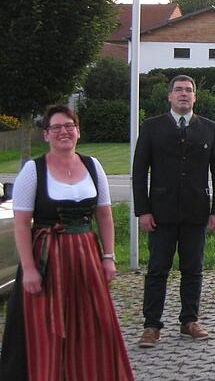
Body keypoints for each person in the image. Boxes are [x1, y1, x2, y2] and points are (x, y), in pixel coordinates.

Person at [0, 105, 133, 380]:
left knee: (94, 323)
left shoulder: (93, 165)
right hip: (47, 259)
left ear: (78, 131)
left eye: (69, 126)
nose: (64, 132)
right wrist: (28, 269)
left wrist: (109, 257)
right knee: (46, 325)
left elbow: (104, 215)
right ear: (46, 135)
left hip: (86, 256)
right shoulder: (33, 171)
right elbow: (23, 224)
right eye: (57, 127)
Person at [133, 74, 215, 347]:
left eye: (189, 90)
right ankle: (152, 326)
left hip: (196, 213)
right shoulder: (152, 127)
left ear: (195, 97)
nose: (184, 94)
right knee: (157, 271)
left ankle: (189, 320)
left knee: (193, 269)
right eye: (179, 90)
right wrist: (143, 210)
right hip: (160, 214)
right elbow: (139, 172)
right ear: (170, 96)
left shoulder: (209, 128)